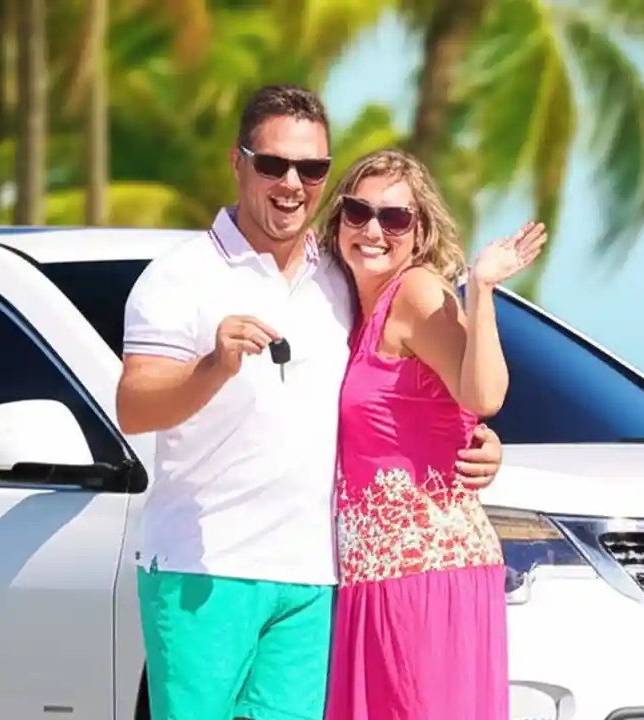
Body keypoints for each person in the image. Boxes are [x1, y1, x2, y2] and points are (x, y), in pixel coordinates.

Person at [114, 85, 505, 720]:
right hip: (204, 568)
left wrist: (472, 439)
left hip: (317, 577)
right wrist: (213, 367)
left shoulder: (342, 277)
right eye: (273, 164)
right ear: (238, 163)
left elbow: (406, 386)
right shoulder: (179, 275)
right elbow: (134, 406)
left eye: (312, 168)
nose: (291, 183)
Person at [319, 149, 546, 720]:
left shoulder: (417, 291)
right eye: (358, 211)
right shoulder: (344, 311)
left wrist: (482, 287)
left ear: (418, 234)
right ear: (339, 219)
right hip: (371, 573)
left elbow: (483, 396)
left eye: (394, 218)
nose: (373, 230)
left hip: (425, 569)